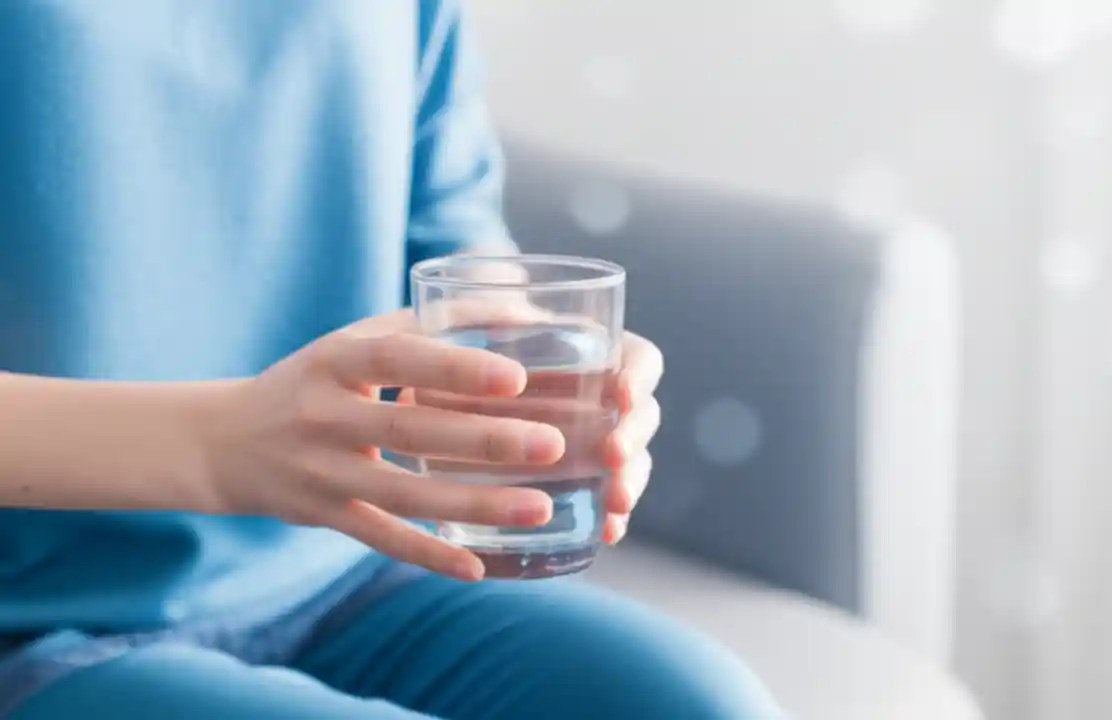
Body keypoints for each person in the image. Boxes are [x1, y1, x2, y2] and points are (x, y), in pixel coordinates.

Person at [0, 1, 779, 718]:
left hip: (347, 567)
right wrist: (217, 444)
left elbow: (456, 252)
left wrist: (532, 371)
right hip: (32, 621)